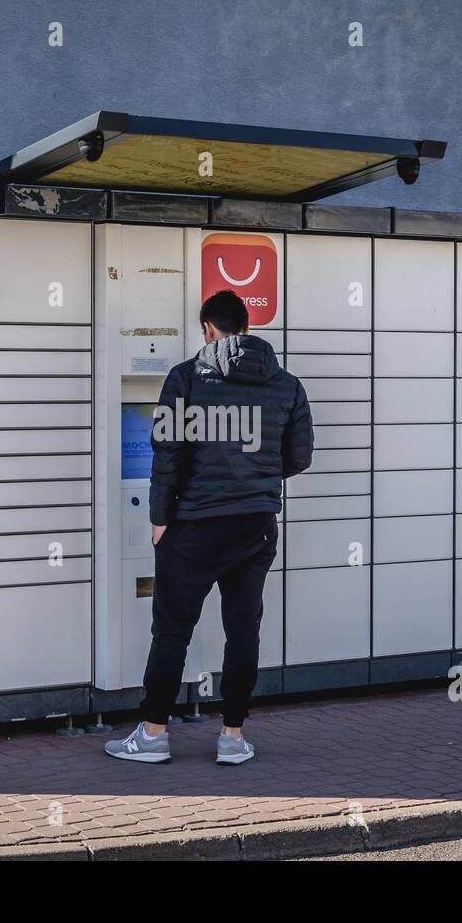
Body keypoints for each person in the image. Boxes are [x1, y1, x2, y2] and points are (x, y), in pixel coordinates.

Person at [105, 289, 314, 765]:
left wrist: (160, 518)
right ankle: (233, 737)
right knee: (243, 630)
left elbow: (168, 456)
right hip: (255, 526)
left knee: (173, 630)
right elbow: (298, 457)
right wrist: (255, 476)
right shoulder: (287, 384)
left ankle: (154, 734)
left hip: (194, 527)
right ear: (246, 326)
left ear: (207, 329)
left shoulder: (186, 379)